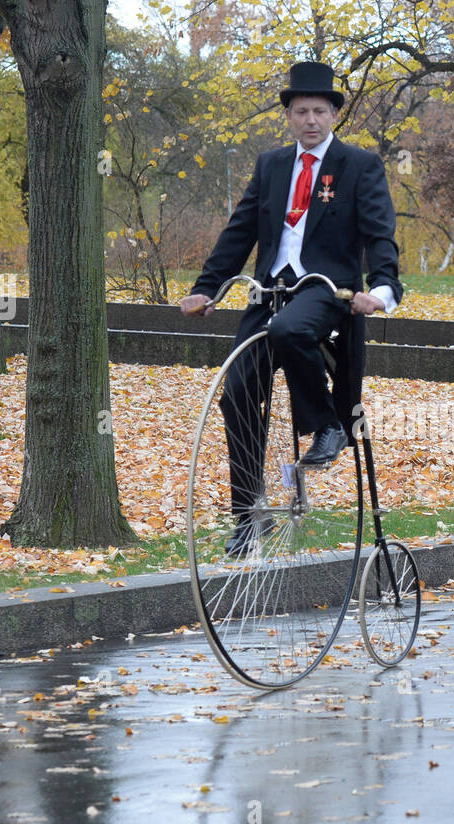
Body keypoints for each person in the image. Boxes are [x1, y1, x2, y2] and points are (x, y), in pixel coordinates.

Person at [179, 62, 403, 556]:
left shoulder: (358, 165)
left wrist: (383, 290)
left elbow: (379, 235)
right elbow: (238, 232)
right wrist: (207, 289)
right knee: (235, 392)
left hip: (326, 289)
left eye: (320, 111)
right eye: (301, 111)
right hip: (270, 289)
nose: (310, 120)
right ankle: (247, 514)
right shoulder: (272, 165)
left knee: (289, 330)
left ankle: (327, 424)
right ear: (288, 115)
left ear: (333, 115)